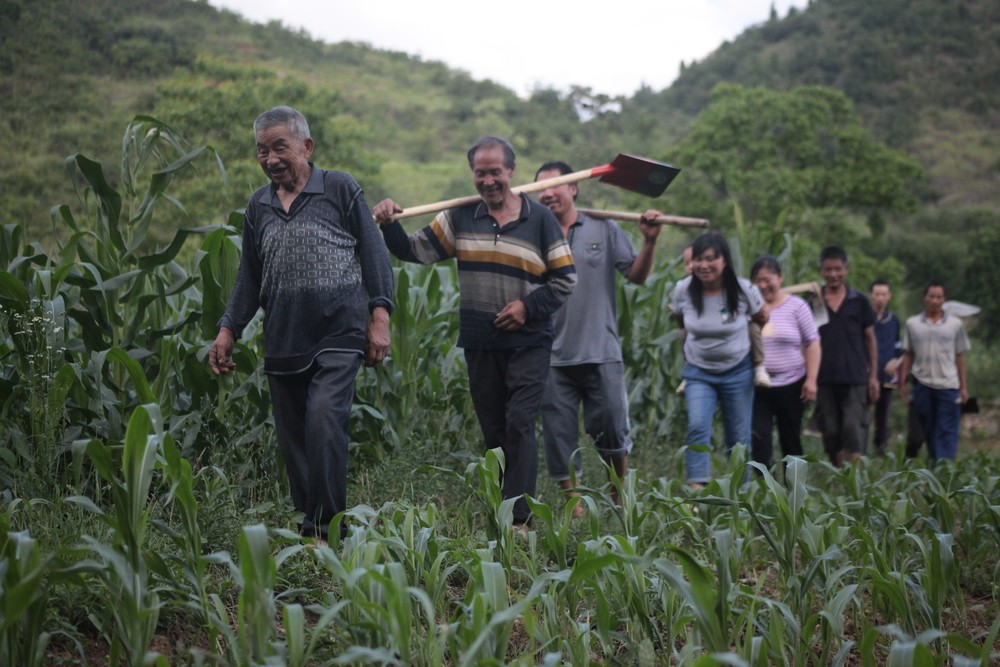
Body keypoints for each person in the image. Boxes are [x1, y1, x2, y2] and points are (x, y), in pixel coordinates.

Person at [208, 106, 395, 545]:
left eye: (280, 148)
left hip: (339, 330)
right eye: (262, 151)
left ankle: (328, 530)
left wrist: (380, 317)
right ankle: (311, 526)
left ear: (306, 147)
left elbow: (375, 255)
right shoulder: (259, 204)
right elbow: (249, 277)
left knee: (325, 422)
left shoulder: (340, 188)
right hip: (284, 337)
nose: (271, 159)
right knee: (295, 441)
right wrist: (227, 330)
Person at [373, 136, 576, 531]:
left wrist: (526, 307)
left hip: (529, 341)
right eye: (480, 173)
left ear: (511, 172)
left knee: (519, 422)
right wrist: (389, 224)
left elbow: (566, 280)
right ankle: (502, 508)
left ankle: (520, 519)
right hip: (481, 341)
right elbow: (413, 251)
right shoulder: (460, 217)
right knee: (495, 430)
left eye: (495, 172)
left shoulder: (540, 219)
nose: (487, 181)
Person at [533, 160, 662, 515]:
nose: (547, 193)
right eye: (539, 188)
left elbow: (635, 275)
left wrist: (649, 242)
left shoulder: (603, 228)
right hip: (552, 355)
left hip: (600, 349)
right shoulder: (532, 233)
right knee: (558, 435)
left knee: (612, 428)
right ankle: (574, 507)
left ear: (574, 188)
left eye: (555, 185)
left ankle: (619, 494)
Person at [670, 232, 768, 487]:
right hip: (698, 371)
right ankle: (697, 489)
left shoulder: (744, 289)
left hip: (738, 371)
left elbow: (762, 316)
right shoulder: (683, 290)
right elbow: (681, 322)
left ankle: (739, 491)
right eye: (699, 260)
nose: (703, 266)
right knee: (697, 426)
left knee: (738, 435)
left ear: (725, 261)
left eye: (711, 259)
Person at [749, 256, 821, 472]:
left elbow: (812, 343)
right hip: (757, 386)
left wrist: (811, 380)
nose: (763, 285)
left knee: (790, 440)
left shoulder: (797, 306)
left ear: (780, 278)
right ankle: (764, 492)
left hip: (792, 384)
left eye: (767, 279)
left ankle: (794, 494)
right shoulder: (748, 309)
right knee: (759, 440)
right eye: (757, 281)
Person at [815, 246, 879, 467]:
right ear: (821, 271)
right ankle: (838, 473)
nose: (833, 274)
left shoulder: (859, 301)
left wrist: (873, 377)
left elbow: (870, 339)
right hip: (823, 377)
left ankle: (854, 480)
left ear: (846, 270)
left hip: (855, 376)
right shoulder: (815, 301)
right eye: (828, 269)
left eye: (838, 269)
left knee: (852, 427)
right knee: (830, 430)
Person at [898, 282, 970, 462]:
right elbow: (908, 354)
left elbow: (959, 356)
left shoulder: (955, 325)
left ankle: (943, 471)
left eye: (939, 297)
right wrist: (902, 383)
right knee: (925, 429)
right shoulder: (913, 324)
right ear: (925, 298)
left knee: (946, 430)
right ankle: (931, 468)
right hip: (922, 384)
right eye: (931, 296)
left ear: (944, 300)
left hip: (948, 385)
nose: (935, 301)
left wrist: (964, 387)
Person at [869, 279, 902, 455]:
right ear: (871, 296)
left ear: (889, 297)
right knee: (862, 414)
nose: (880, 298)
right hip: (867, 374)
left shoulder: (893, 320)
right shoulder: (865, 318)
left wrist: (896, 362)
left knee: (883, 415)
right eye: (877, 294)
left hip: (887, 374)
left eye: (884, 294)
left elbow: (898, 346)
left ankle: (880, 451)